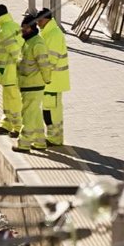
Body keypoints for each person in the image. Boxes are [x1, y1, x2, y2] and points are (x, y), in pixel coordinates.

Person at [14, 13, 52, 153]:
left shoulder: (37, 43)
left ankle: (24, 143)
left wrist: (47, 79)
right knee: (34, 114)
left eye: (25, 28)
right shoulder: (29, 42)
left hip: (33, 85)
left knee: (28, 115)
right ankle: (40, 142)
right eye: (22, 27)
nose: (22, 30)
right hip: (28, 85)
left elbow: (44, 64)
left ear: (32, 28)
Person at [36, 8, 69, 147]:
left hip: (53, 81)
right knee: (49, 111)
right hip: (50, 81)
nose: (37, 24)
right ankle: (54, 137)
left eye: (39, 21)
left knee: (52, 112)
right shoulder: (48, 33)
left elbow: (51, 60)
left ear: (46, 19)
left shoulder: (54, 35)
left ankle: (55, 138)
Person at [0, 4, 23, 137]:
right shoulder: (14, 25)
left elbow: (14, 50)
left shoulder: (4, 29)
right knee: (8, 100)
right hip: (9, 72)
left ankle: (18, 127)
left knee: (13, 101)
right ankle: (6, 125)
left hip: (10, 72)